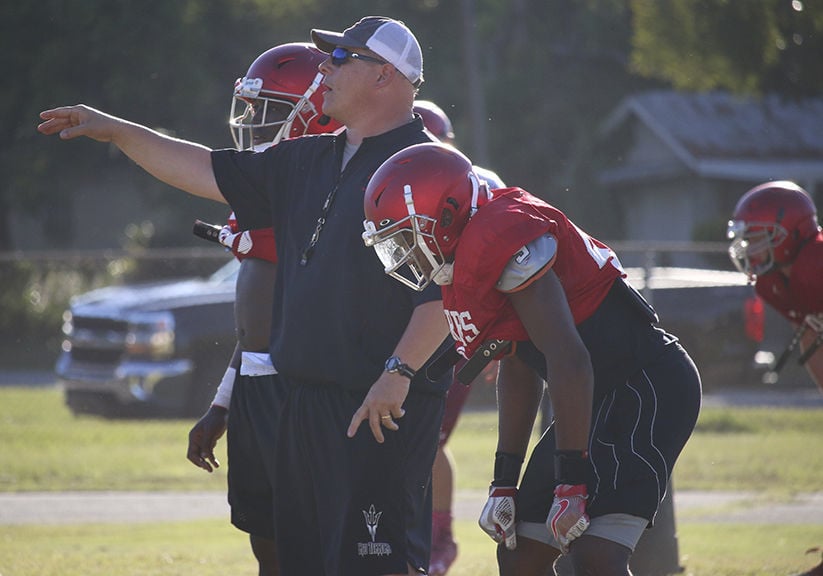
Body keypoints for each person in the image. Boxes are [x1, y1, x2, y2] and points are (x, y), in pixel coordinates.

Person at [39, 16, 450, 576]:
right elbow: (204, 167)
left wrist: (398, 372)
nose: (324, 68)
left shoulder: (428, 167)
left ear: (385, 76)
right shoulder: (308, 158)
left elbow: (446, 292)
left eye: (341, 58)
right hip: (302, 404)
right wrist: (115, 129)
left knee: (372, 566)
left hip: (375, 407)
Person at [361, 142, 702, 576]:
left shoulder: (502, 236)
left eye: (407, 235)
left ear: (445, 215)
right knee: (520, 552)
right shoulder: (465, 259)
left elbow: (568, 357)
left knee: (595, 553)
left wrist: (572, 482)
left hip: (644, 384)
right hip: (596, 396)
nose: (404, 252)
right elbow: (518, 364)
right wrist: (504, 479)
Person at [184, 42, 340, 576]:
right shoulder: (267, 195)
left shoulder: (324, 198)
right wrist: (224, 404)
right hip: (256, 386)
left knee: (314, 546)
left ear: (314, 116)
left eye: (269, 110)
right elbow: (255, 329)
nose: (252, 122)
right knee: (266, 543)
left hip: (303, 391)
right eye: (251, 109)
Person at [413, 98, 505, 576]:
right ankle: (422, 534)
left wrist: (493, 329)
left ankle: (439, 538)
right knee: (417, 439)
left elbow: (502, 256)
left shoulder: (475, 182)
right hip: (420, 324)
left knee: (427, 439)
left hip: (456, 331)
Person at [727, 181, 823, 392]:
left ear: (788, 232)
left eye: (756, 239)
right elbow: (809, 335)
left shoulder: (817, 262)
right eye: (747, 240)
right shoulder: (772, 283)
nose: (749, 249)